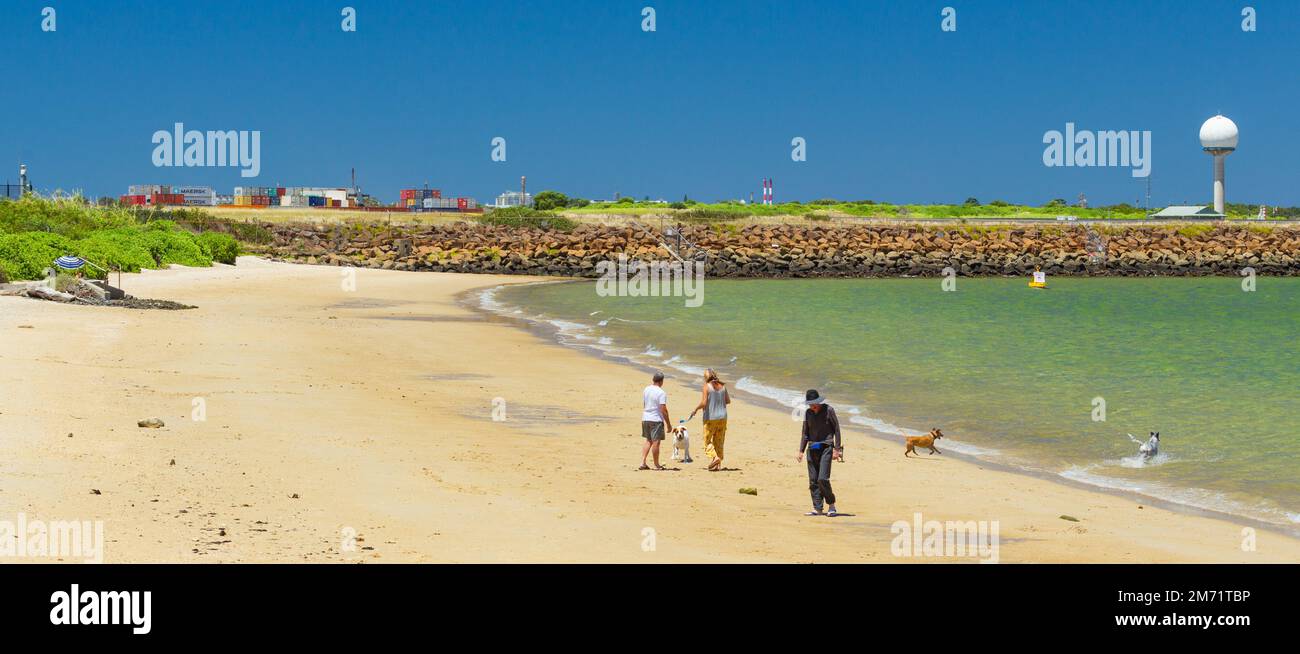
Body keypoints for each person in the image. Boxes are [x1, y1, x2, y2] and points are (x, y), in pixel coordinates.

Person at [796, 389, 843, 516]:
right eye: (810, 404)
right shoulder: (808, 413)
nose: (813, 406)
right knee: (813, 480)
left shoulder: (829, 410)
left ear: (819, 401)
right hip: (812, 448)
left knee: (822, 479)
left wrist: (837, 449)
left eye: (814, 404)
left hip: (826, 447)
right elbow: (805, 432)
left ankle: (831, 505)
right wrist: (801, 450)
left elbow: (837, 429)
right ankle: (817, 508)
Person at [688, 369, 731, 471]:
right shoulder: (723, 386)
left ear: (706, 377)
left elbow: (704, 403)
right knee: (719, 441)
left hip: (710, 418)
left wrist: (695, 409)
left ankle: (715, 458)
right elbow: (728, 401)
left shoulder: (707, 386)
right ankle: (717, 465)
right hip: (723, 417)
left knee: (707, 441)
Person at [640, 372, 671, 470]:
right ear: (661, 381)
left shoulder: (646, 389)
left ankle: (643, 462)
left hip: (646, 417)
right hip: (656, 419)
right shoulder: (661, 392)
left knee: (648, 440)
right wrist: (668, 424)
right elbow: (663, 409)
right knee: (656, 442)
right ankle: (656, 464)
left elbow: (645, 404)